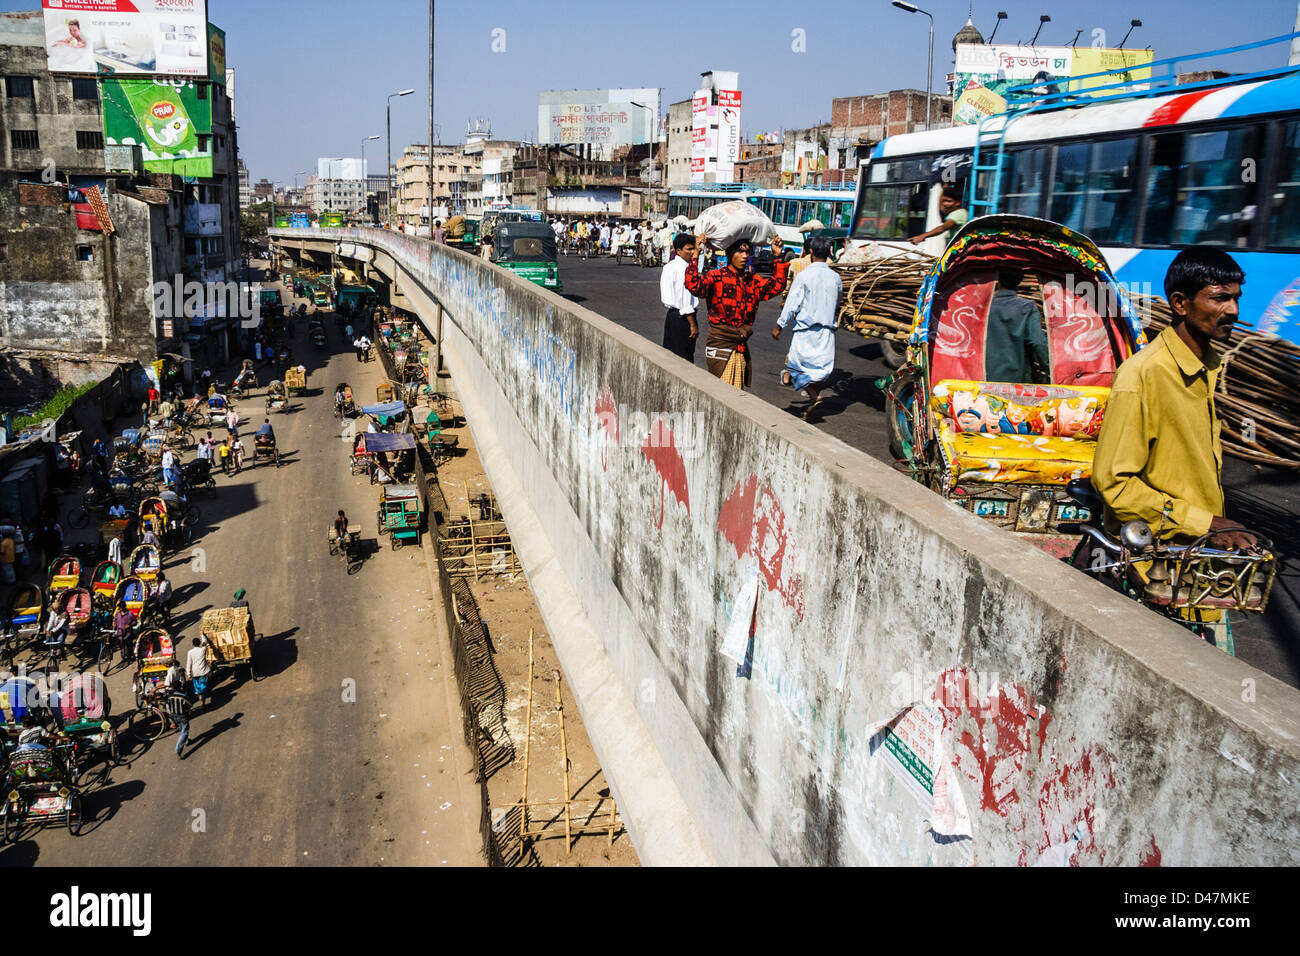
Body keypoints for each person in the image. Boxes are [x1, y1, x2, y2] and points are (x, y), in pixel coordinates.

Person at [1092, 247, 1253, 653]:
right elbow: (1115, 485)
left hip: (1202, 564)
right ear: (1180, 303)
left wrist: (1213, 529)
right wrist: (1208, 523)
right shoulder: (1143, 376)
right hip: (1159, 569)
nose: (1232, 309)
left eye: (1236, 297)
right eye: (1219, 298)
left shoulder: (1208, 368)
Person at [684, 234, 789, 389]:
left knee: (735, 392)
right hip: (720, 343)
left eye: (748, 252)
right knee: (721, 393)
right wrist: (696, 254)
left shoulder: (753, 281)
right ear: (729, 254)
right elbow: (692, 284)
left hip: (740, 344)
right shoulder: (716, 277)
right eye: (740, 251)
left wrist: (777, 256)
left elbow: (776, 286)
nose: (745, 256)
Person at [773, 235, 843, 420]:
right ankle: (812, 401)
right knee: (819, 371)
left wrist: (780, 325)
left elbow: (792, 303)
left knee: (794, 366)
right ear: (829, 253)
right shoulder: (835, 278)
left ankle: (814, 396)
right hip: (826, 332)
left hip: (805, 331)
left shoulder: (804, 276)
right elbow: (838, 301)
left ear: (811, 252)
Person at [984, 269, 1051, 384]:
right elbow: (1037, 342)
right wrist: (1049, 368)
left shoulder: (984, 308)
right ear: (1019, 282)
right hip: (1017, 380)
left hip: (983, 378)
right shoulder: (1027, 307)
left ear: (997, 281)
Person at [660, 234, 700, 363]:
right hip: (684, 317)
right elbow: (685, 300)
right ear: (678, 251)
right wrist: (692, 324)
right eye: (689, 249)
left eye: (693, 249)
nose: (692, 252)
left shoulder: (669, 267)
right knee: (685, 355)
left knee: (671, 354)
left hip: (672, 317)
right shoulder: (684, 269)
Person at [166, 679, 193, 758]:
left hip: (174, 716)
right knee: (185, 731)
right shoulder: (183, 696)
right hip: (183, 715)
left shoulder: (170, 697)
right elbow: (190, 704)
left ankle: (186, 741)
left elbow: (168, 706)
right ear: (180, 687)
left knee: (181, 729)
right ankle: (178, 749)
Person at [185, 635, 212, 709]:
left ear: (193, 644)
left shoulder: (190, 652)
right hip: (203, 672)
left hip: (195, 673)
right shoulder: (202, 650)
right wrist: (202, 635)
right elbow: (204, 642)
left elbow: (189, 663)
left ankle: (200, 696)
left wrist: (188, 674)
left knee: (197, 687)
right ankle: (203, 702)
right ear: (199, 643)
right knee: (203, 686)